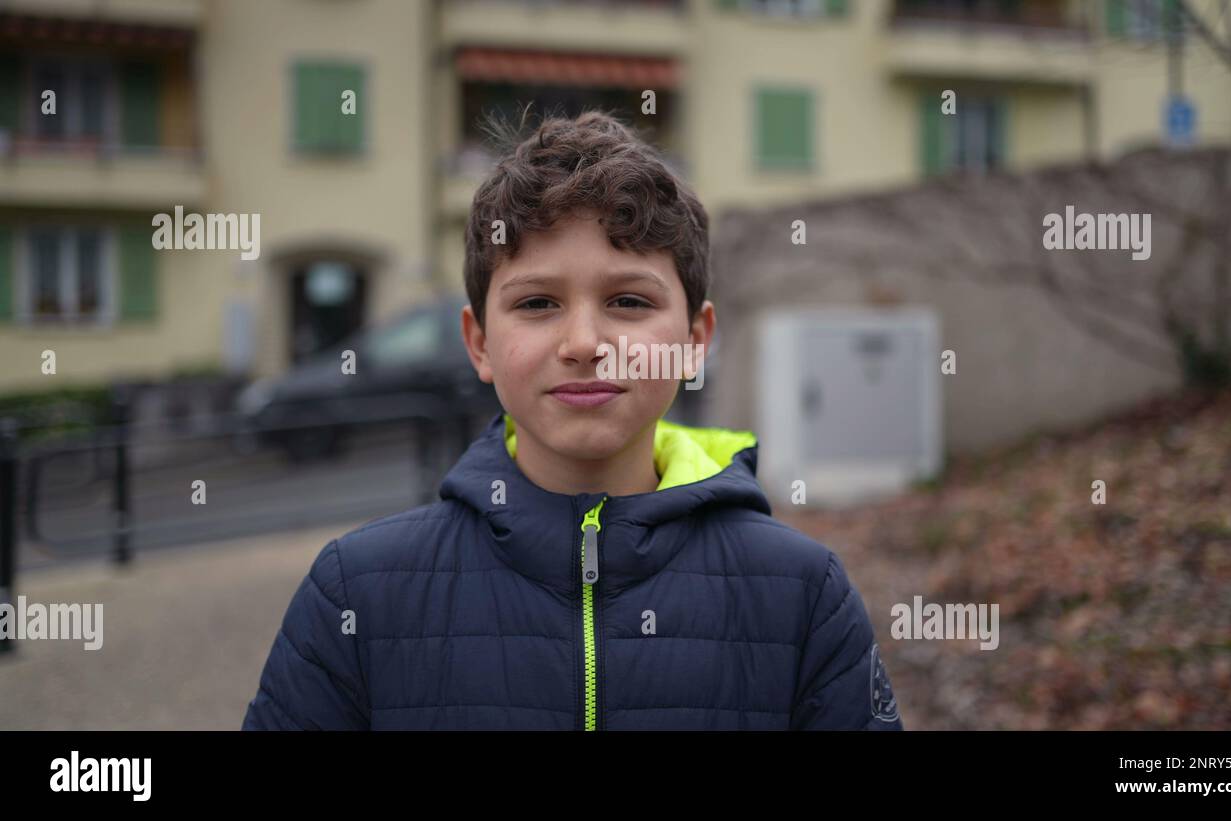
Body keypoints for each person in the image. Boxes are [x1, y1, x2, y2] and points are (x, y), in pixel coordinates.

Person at [242, 109, 902, 730]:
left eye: (627, 299)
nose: (584, 342)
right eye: (537, 302)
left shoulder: (803, 595)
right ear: (479, 343)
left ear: (697, 339)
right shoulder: (355, 591)